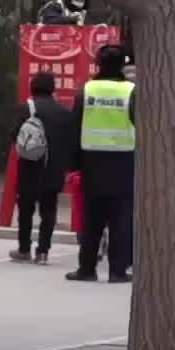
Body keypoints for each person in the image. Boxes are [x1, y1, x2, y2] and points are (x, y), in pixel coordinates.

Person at [67, 45, 136, 285]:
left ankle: (87, 268)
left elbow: (74, 127)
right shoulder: (132, 91)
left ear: (98, 63)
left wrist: (74, 165)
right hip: (126, 162)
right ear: (122, 65)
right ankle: (117, 271)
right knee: (121, 219)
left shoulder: (86, 90)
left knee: (92, 219)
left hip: (91, 163)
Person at [12, 72, 75, 266]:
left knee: (26, 209)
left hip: (30, 167)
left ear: (33, 87)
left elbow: (15, 136)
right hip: (54, 168)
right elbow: (70, 142)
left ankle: (24, 249)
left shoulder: (25, 109)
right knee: (48, 210)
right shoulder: (65, 113)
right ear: (52, 89)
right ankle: (43, 252)